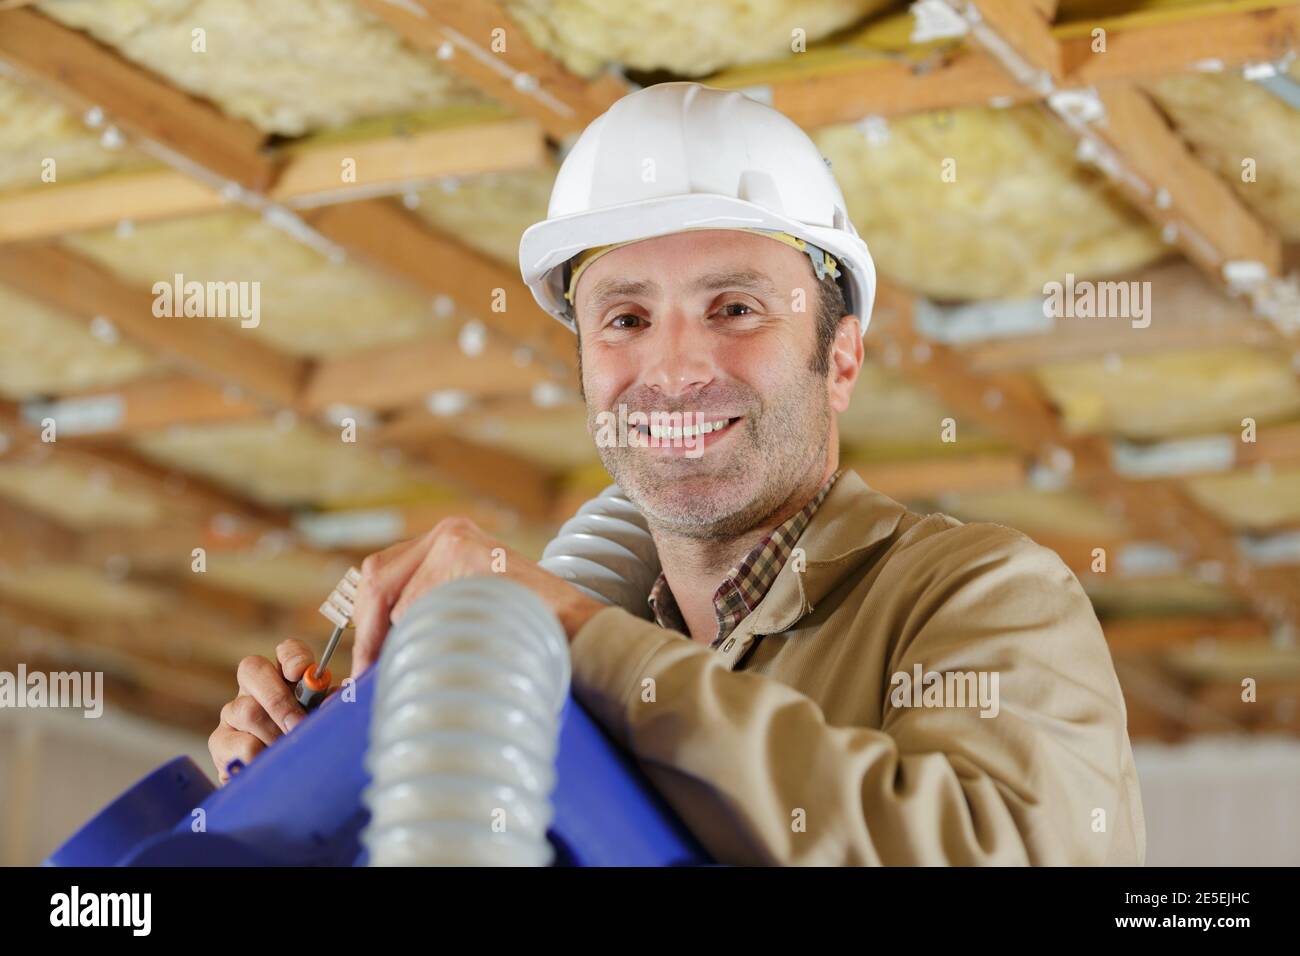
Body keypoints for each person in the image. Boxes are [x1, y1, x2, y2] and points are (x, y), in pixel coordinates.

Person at [209, 82, 1145, 866]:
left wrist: (570, 626)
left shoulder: (983, 595)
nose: (673, 369)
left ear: (842, 360)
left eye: (735, 307)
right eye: (624, 319)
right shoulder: (541, 681)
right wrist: (317, 786)